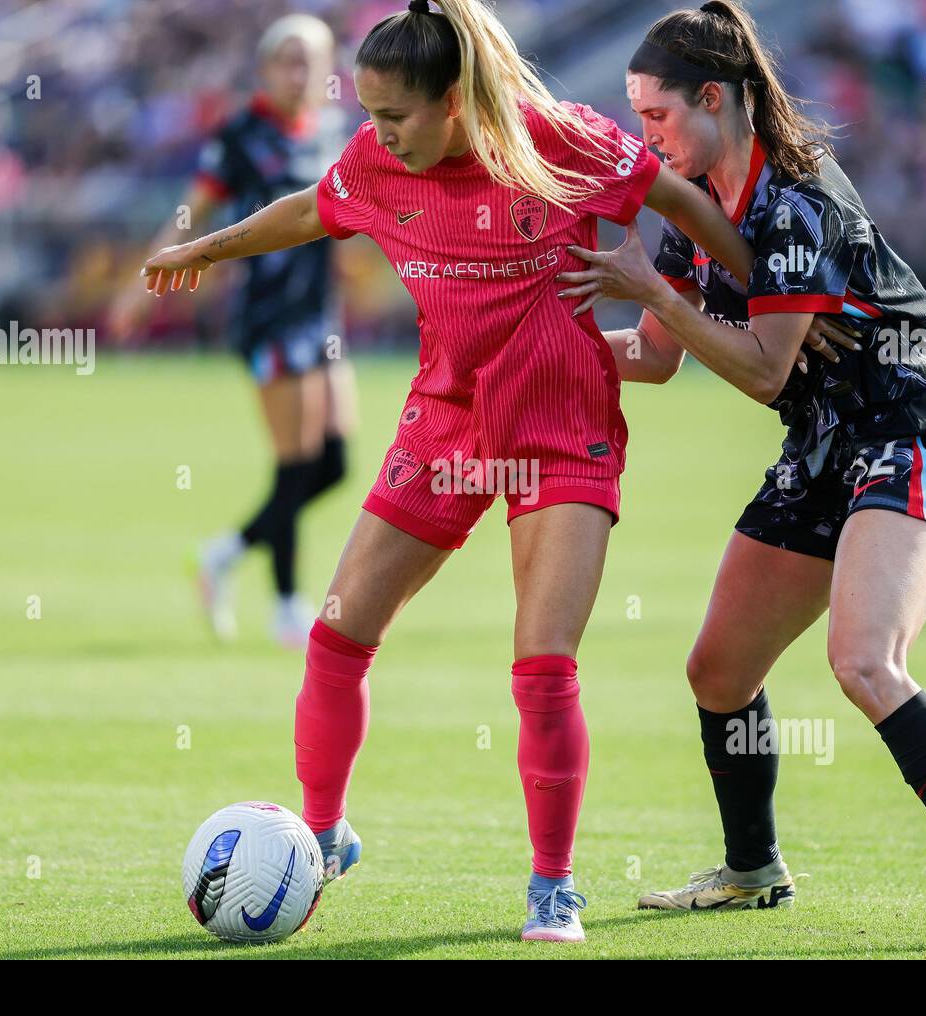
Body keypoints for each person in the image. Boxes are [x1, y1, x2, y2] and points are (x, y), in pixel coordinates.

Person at [138, 0, 754, 943]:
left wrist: (771, 287)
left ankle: (554, 888)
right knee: (337, 636)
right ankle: (319, 835)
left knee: (543, 669)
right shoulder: (380, 162)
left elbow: (680, 202)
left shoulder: (566, 144)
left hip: (561, 429)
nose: (376, 137)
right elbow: (309, 210)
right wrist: (202, 250)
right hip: (447, 432)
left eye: (393, 117)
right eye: (370, 117)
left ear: (457, 103)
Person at [557, 1, 926, 949]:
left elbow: (760, 367)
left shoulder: (797, 198)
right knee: (718, 671)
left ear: (716, 98)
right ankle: (753, 870)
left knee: (864, 662)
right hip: (825, 444)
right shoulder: (697, 197)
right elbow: (660, 356)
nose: (644, 136)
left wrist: (655, 288)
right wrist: (543, 338)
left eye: (656, 115)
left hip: (906, 428)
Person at [110, 14, 356, 648]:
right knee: (295, 462)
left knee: (333, 464)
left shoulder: (334, 128)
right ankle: (285, 606)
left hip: (319, 312)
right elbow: (195, 209)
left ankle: (223, 555)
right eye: (288, 61)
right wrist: (146, 282)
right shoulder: (243, 135)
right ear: (267, 67)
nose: (300, 73)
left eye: (312, 61)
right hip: (269, 315)